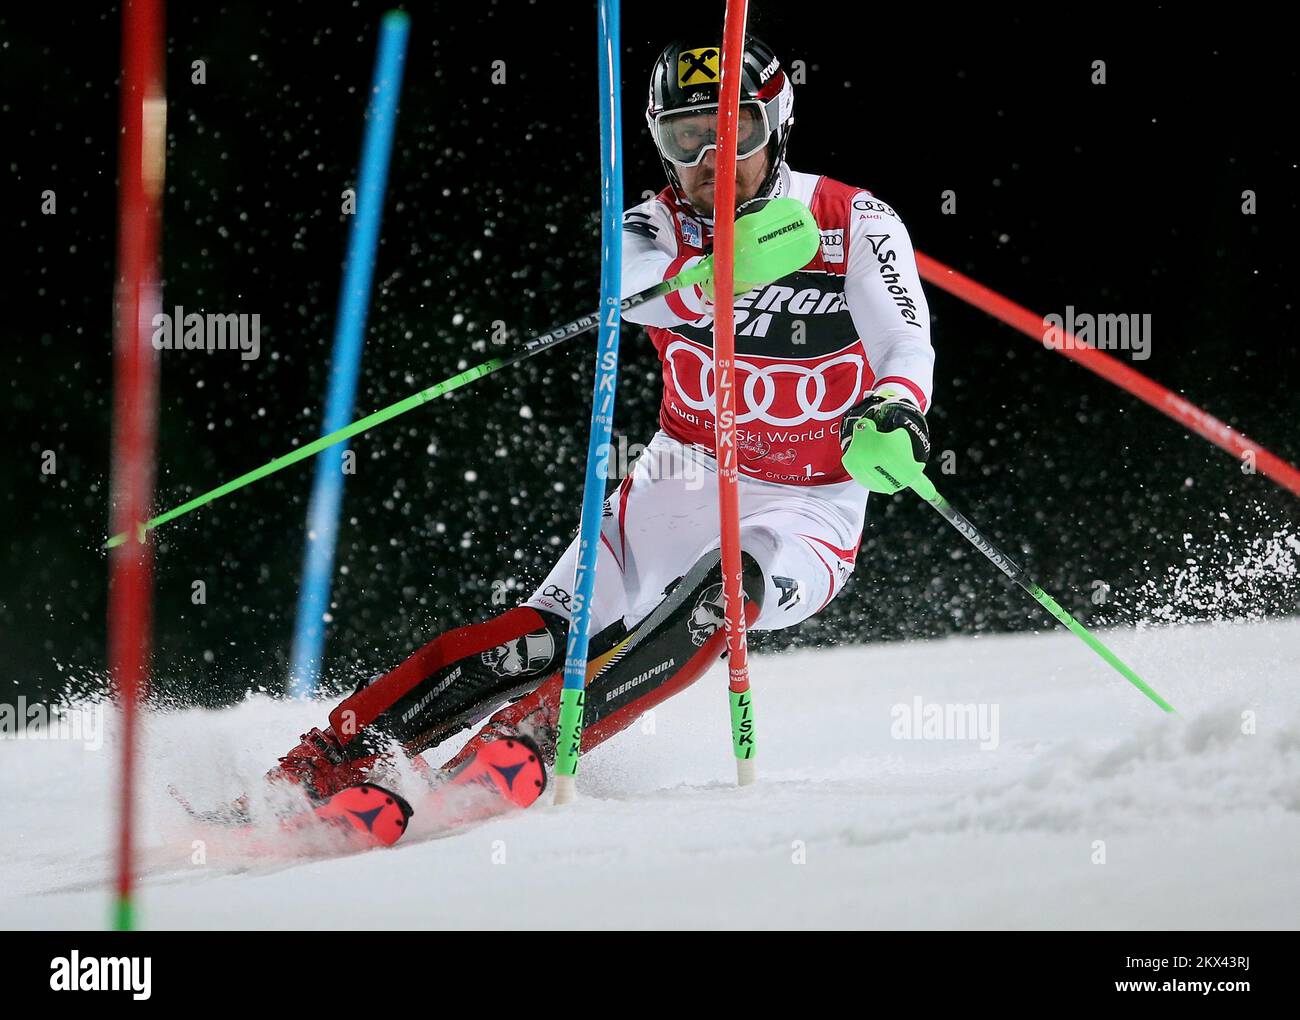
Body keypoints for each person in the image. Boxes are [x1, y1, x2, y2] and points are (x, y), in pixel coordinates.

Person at [267, 35, 936, 800]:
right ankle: (323, 765)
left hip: (810, 504)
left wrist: (894, 409)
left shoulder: (854, 220)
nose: (712, 160)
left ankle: (527, 744)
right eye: (687, 138)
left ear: (775, 124)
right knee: (536, 640)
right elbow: (639, 292)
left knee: (730, 595)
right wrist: (722, 274)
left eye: (733, 131)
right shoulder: (650, 225)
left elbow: (903, 342)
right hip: (681, 479)